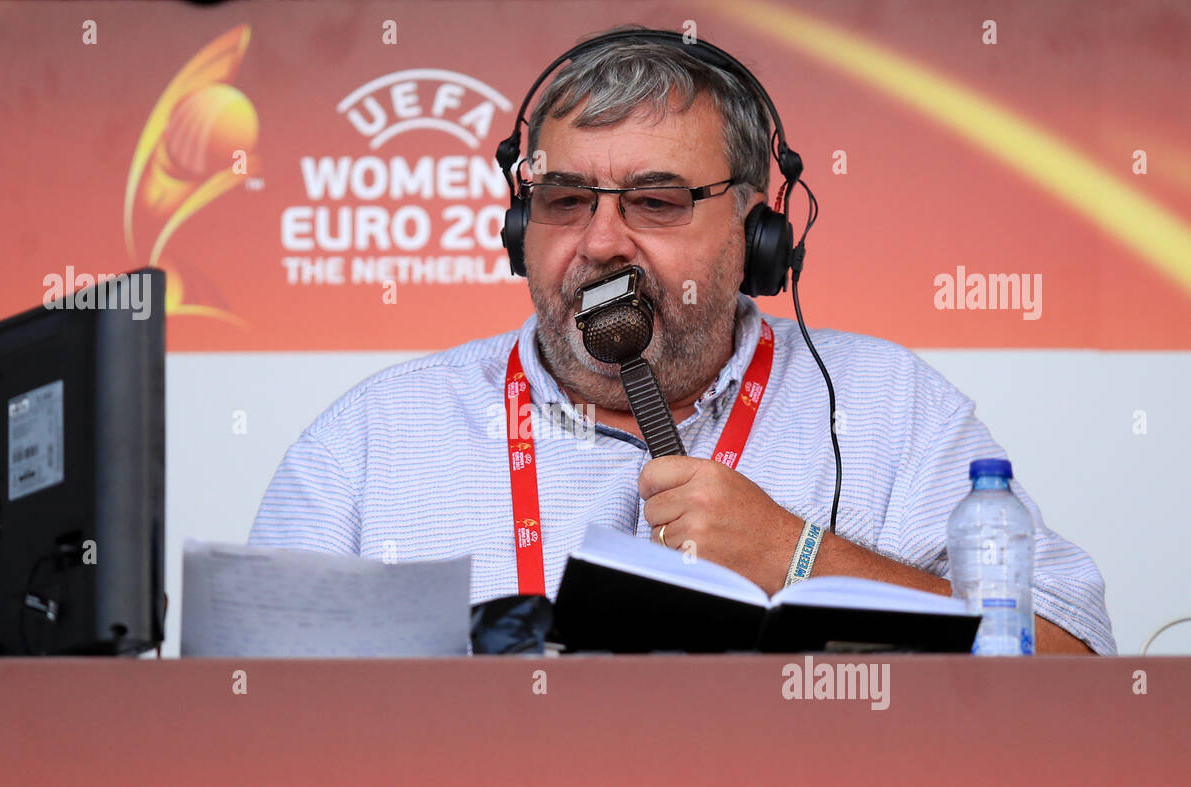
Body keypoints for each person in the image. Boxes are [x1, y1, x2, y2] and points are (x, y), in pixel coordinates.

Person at [248, 27, 1113, 655]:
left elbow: (1072, 678)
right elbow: (238, 719)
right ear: (520, 230)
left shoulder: (894, 410)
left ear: (756, 232)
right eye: (564, 201)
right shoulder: (369, 440)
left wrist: (796, 556)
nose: (601, 243)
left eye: (657, 202)